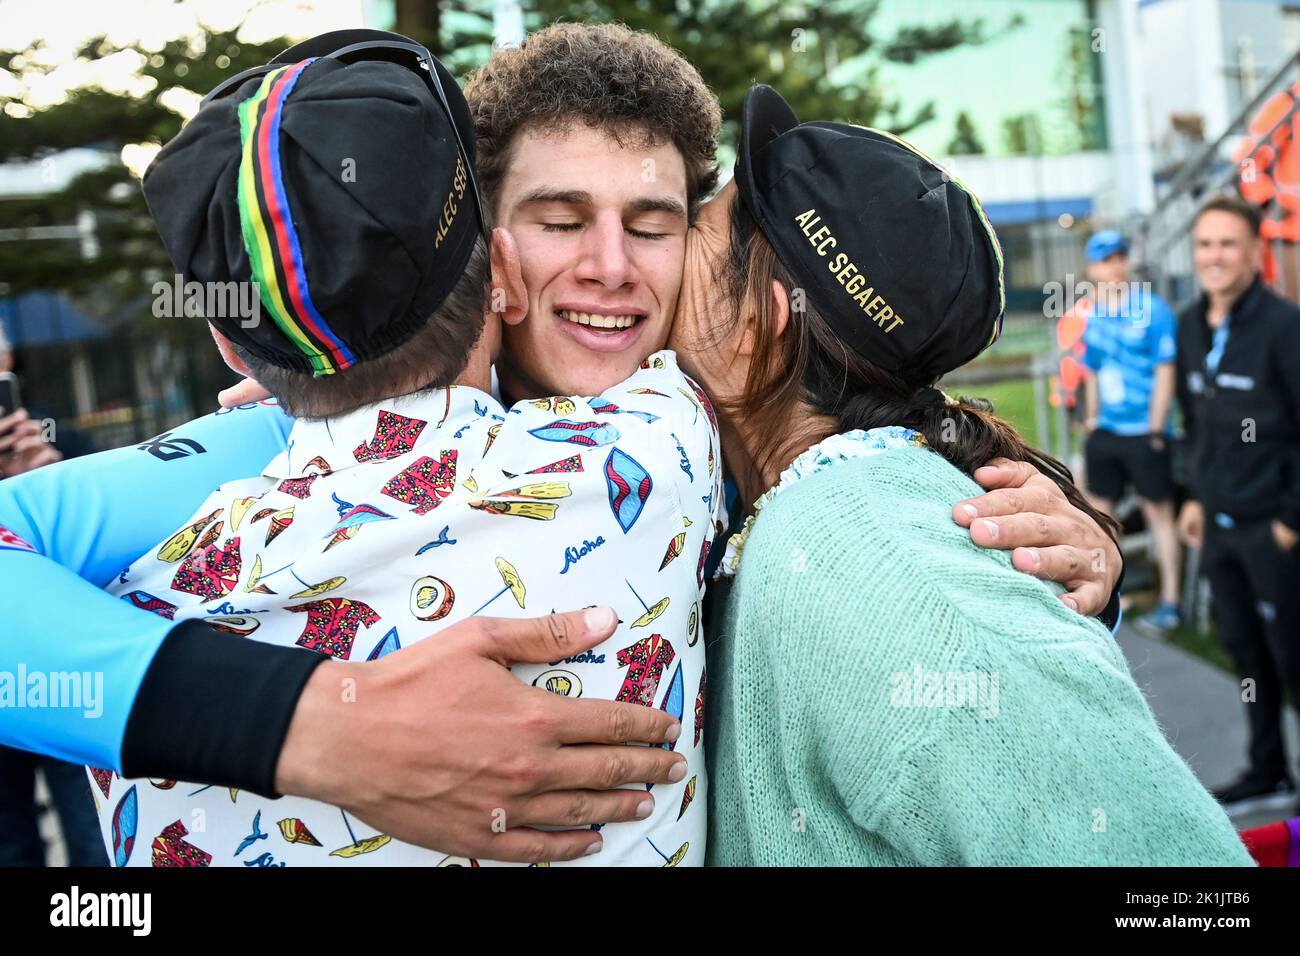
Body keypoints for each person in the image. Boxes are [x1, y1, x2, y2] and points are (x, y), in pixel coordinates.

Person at [0, 26, 1121, 863]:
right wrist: (316, 730)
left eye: (654, 224)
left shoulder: (729, 435)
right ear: (485, 253)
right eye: (559, 218)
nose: (610, 269)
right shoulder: (272, 446)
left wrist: (1050, 570)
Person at [677, 86, 1252, 865]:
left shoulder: (884, 569)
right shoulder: (803, 515)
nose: (640, 258)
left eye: (692, 226)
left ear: (758, 320)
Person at [1175, 194, 1300, 816]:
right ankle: (1268, 770)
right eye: (1204, 244)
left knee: (1293, 657)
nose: (1214, 256)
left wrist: (1289, 520)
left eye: (1228, 244)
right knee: (1246, 655)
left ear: (1255, 251)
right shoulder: (1190, 324)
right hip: (1218, 527)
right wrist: (1194, 496)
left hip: (1273, 530)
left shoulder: (1283, 326)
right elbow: (1195, 423)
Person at [1078, 230, 1182, 635]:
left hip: (1145, 432)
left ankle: (1171, 601)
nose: (1114, 266)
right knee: (1102, 517)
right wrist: (1091, 420)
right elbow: (1092, 371)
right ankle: (1109, 598)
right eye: (1105, 260)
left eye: (1120, 257)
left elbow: (1165, 371)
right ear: (1091, 268)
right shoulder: (1093, 313)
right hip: (1106, 432)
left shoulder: (1153, 309)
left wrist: (1156, 429)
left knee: (1159, 512)